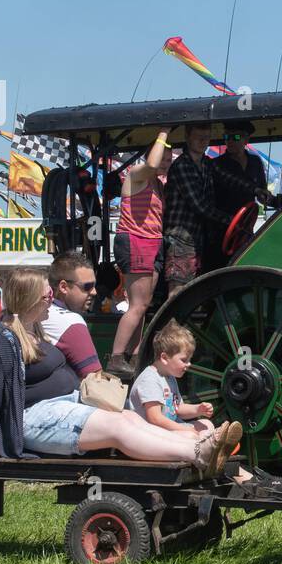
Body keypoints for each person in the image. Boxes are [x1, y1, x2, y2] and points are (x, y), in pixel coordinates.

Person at [0, 268, 240, 472]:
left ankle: (200, 439)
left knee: (129, 419)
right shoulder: (2, 340)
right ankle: (198, 453)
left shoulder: (33, 328)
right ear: (31, 300)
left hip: (64, 405)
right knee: (118, 427)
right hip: (34, 418)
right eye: (47, 296)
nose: (52, 300)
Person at [107, 127, 170, 378]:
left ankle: (133, 356)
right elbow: (152, 163)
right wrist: (163, 133)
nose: (165, 163)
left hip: (153, 242)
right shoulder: (137, 175)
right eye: (163, 158)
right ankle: (115, 358)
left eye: (169, 159)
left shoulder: (159, 183)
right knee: (137, 304)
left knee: (143, 305)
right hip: (136, 240)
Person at [157, 122, 236, 299]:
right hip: (180, 238)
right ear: (187, 137)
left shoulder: (206, 164)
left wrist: (255, 189)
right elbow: (199, 206)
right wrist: (229, 220)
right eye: (198, 137)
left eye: (206, 137)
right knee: (177, 292)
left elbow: (229, 178)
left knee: (191, 292)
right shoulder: (182, 166)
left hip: (196, 239)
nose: (203, 141)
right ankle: (171, 326)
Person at [205, 120, 281, 269]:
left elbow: (261, 191)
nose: (231, 141)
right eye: (227, 137)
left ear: (247, 140)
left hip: (245, 230)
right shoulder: (217, 164)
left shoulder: (255, 162)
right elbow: (235, 182)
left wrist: (273, 200)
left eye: (236, 138)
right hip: (222, 230)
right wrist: (256, 190)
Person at [43, 252, 103, 377]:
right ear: (63, 287)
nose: (94, 292)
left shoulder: (37, 313)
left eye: (94, 286)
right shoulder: (70, 322)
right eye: (87, 286)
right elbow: (95, 380)